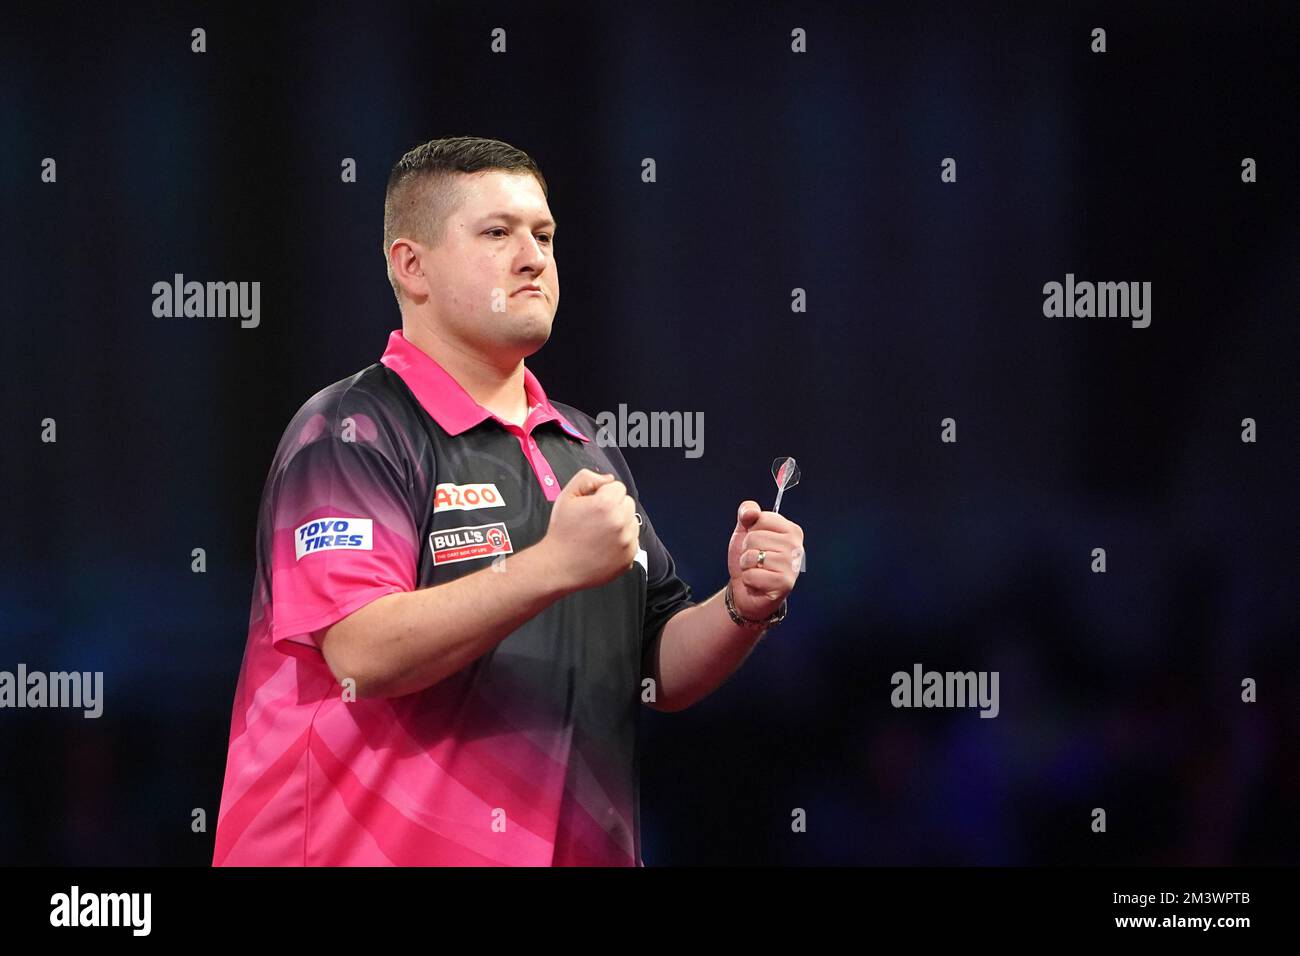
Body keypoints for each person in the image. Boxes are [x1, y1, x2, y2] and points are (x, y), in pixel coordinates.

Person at [211, 135, 804, 866]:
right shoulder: (352, 430)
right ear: (411, 266)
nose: (534, 258)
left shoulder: (581, 442)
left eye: (545, 235)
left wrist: (742, 606)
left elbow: (654, 673)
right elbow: (360, 650)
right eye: (498, 233)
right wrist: (548, 565)